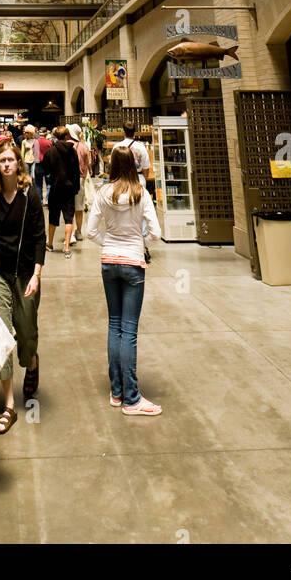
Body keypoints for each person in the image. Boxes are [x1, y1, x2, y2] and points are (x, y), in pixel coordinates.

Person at [87, 147, 162, 415]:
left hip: (109, 263)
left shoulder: (102, 194)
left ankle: (117, 391)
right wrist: (140, 243)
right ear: (132, 164)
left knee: (114, 325)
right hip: (132, 263)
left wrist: (107, 243)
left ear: (112, 166)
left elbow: (90, 231)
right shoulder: (141, 194)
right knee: (129, 331)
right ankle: (132, 399)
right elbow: (156, 231)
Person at [0, 140, 46, 433]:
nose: (7, 164)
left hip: (25, 273)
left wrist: (36, 274)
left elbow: (39, 236)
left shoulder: (29, 195)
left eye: (11, 159)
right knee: (1, 334)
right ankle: (9, 405)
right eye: (2, 160)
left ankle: (31, 362)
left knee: (27, 332)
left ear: (19, 163)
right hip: (0, 276)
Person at [115, 123, 153, 260]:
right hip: (138, 179)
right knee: (141, 212)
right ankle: (142, 247)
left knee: (122, 210)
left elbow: (114, 167)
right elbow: (146, 168)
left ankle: (123, 244)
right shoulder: (141, 147)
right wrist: (143, 180)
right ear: (135, 131)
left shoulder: (117, 147)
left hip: (121, 181)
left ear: (123, 131)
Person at [43, 126, 79, 257]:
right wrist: (76, 188)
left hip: (55, 188)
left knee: (53, 217)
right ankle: (67, 247)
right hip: (69, 189)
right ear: (67, 136)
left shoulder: (50, 151)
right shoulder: (73, 151)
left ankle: (50, 243)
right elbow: (76, 171)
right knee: (69, 219)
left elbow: (45, 168)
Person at [67, 123, 90, 245]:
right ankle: (79, 231)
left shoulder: (68, 146)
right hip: (80, 179)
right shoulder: (84, 147)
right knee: (79, 206)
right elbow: (88, 163)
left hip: (68, 179)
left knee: (69, 206)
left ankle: (69, 233)